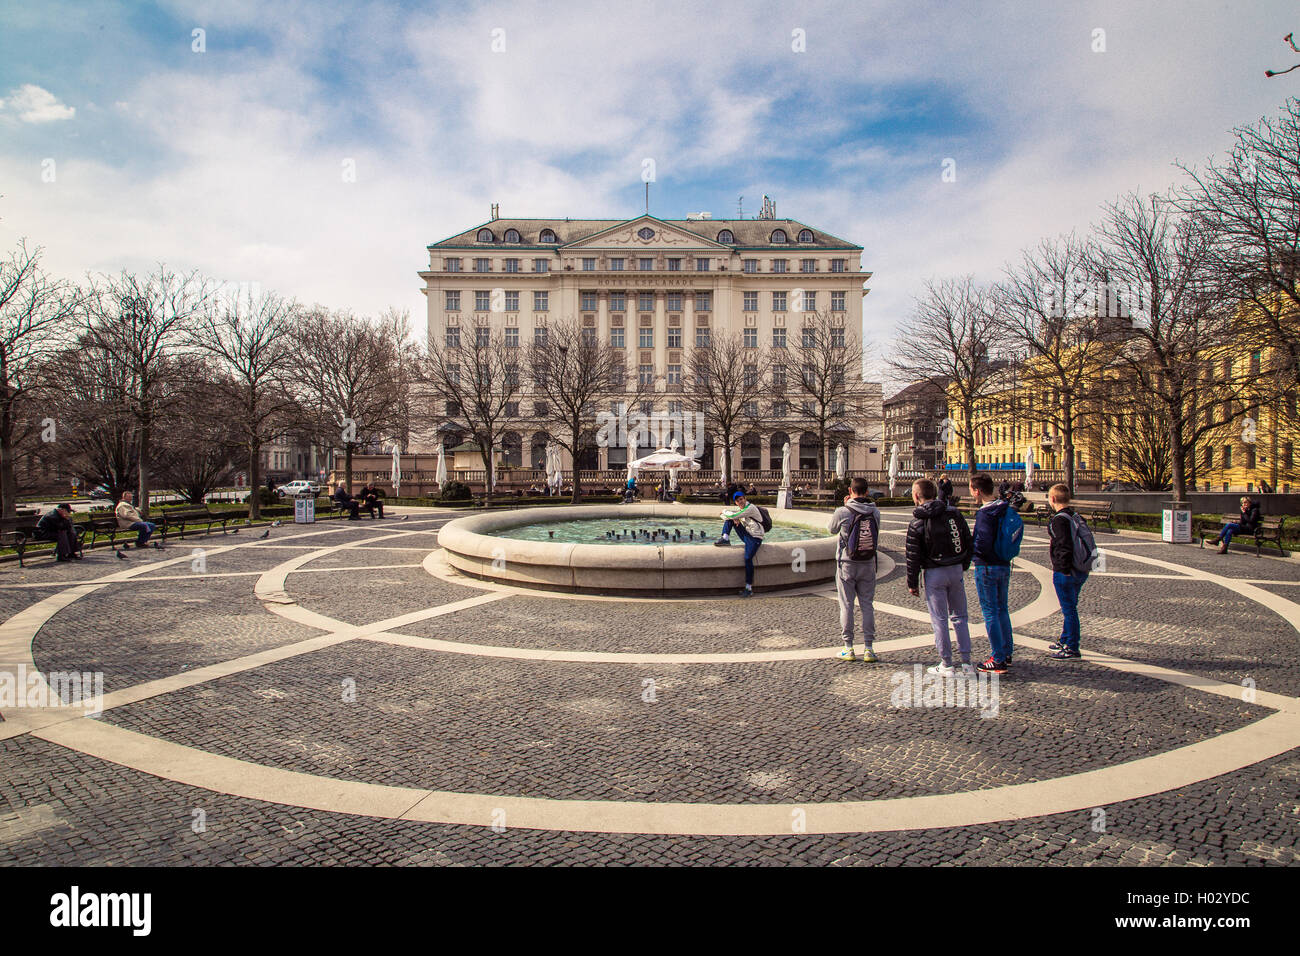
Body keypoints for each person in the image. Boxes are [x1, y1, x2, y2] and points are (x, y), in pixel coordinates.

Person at [905, 477, 974, 677]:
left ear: (917, 496)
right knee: (960, 617)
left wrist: (912, 583)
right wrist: (963, 565)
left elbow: (913, 556)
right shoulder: (953, 514)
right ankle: (967, 662)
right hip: (955, 569)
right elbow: (967, 540)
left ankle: (946, 664)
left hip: (934, 572)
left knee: (940, 619)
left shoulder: (918, 521)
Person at [828, 477, 880, 662]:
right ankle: (869, 648)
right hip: (868, 563)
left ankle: (848, 647)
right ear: (867, 492)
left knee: (846, 605)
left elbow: (831, 529)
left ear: (850, 491)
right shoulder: (875, 512)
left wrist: (846, 505)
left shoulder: (843, 511)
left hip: (846, 563)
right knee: (867, 605)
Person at [970, 474, 1013, 674]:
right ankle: (1006, 651)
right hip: (1004, 563)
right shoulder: (1003, 508)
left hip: (986, 566)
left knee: (990, 612)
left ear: (977, 490)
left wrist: (972, 552)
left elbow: (983, 543)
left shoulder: (985, 513)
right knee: (1002, 609)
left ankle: (997, 658)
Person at [1046, 483, 1086, 660]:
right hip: (1081, 568)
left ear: (1053, 499)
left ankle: (1072, 645)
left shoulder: (1060, 519)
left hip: (1066, 571)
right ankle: (1065, 639)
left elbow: (1064, 546)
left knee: (1069, 609)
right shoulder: (1076, 516)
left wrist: (1063, 569)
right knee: (1070, 606)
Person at [714, 489, 766, 597]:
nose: (740, 501)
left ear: (745, 499)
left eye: (741, 499)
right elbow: (727, 517)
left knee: (747, 558)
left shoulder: (750, 508)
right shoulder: (740, 510)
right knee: (730, 519)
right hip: (747, 535)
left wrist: (725, 511)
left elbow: (730, 515)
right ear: (736, 503)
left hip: (755, 537)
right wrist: (734, 518)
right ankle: (725, 538)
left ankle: (749, 588)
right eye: (737, 501)